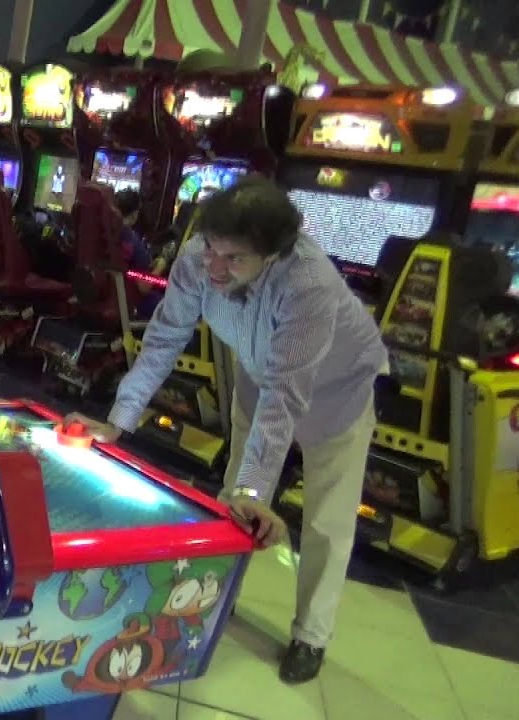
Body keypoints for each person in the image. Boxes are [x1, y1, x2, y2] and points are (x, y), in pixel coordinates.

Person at [66, 177, 387, 684]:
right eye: (212, 249)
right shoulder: (199, 257)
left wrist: (258, 491)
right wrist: (118, 422)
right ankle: (220, 589)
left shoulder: (309, 285)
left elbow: (287, 396)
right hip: (259, 375)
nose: (214, 267)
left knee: (327, 520)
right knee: (233, 497)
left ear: (273, 255)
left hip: (336, 391)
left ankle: (311, 635)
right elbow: (165, 337)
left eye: (234, 259)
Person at [113, 188, 167, 318]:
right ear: (134, 214)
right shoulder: (131, 240)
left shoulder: (105, 232)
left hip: (109, 294)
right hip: (130, 301)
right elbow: (144, 287)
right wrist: (161, 265)